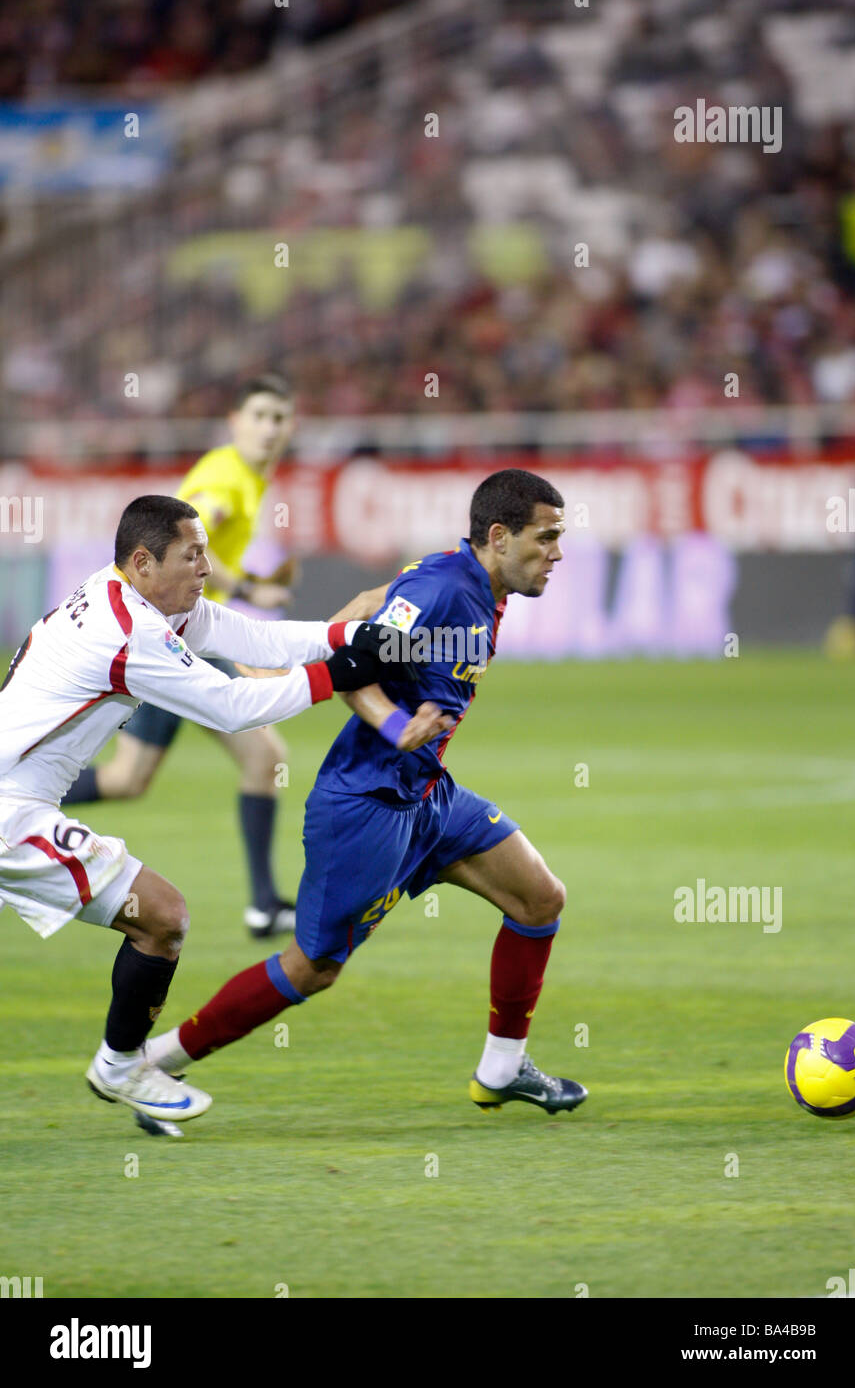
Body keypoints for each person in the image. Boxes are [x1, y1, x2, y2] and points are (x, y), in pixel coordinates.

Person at [148, 470, 588, 1117]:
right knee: (313, 967)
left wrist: (346, 633)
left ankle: (502, 1069)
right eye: (546, 538)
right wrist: (393, 725)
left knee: (539, 898)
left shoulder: (473, 582)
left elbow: (366, 603)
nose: (556, 553)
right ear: (499, 536)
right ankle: (157, 1062)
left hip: (427, 795)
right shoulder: (442, 589)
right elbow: (357, 666)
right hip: (367, 803)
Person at [0, 495, 450, 1126]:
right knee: (161, 916)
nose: (207, 567)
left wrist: (346, 638)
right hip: (10, 813)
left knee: (158, 916)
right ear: (143, 562)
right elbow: (230, 706)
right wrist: (339, 674)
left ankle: (121, 1063)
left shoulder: (137, 596)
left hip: (21, 797)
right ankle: (121, 1065)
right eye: (193, 555)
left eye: (206, 551)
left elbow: (255, 637)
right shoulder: (128, 632)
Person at [62, 375, 352, 939]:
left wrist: (249, 585)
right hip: (170, 641)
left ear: (290, 428)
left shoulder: (244, 473)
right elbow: (198, 538)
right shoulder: (227, 476)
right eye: (260, 416)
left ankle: (264, 904)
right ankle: (264, 904)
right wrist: (251, 589)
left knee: (135, 778)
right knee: (253, 756)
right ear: (235, 423)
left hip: (184, 635)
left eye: (279, 418)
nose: (270, 428)